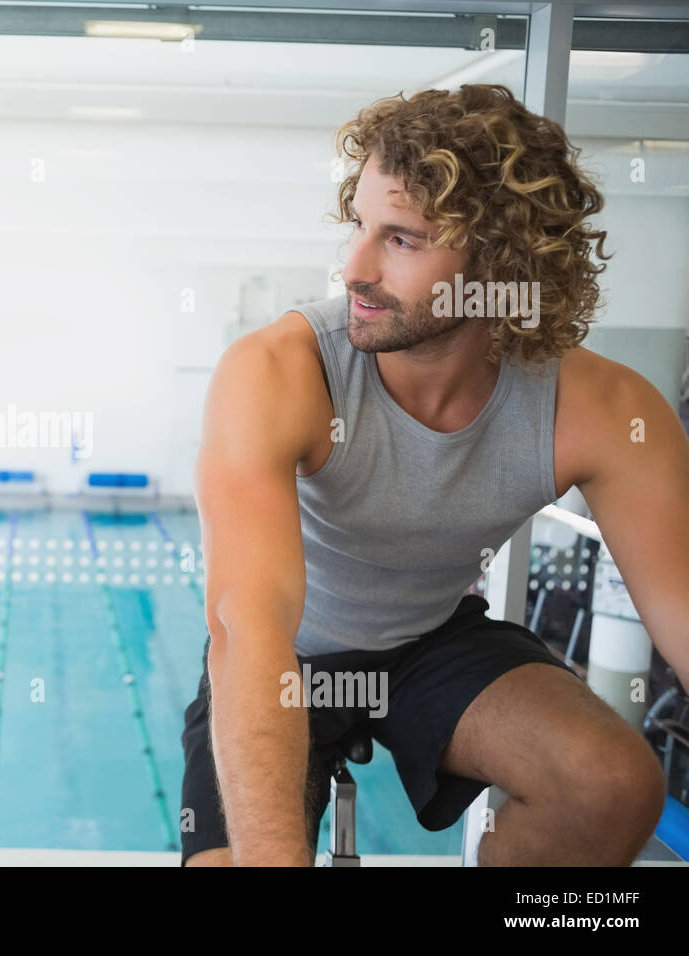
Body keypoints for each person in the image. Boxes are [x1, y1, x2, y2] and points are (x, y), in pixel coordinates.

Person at [182, 84, 688, 866]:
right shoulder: (279, 372)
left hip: (429, 642)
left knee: (614, 784)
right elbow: (247, 630)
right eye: (360, 226)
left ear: (502, 262)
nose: (352, 268)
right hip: (284, 660)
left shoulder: (603, 407)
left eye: (402, 240)